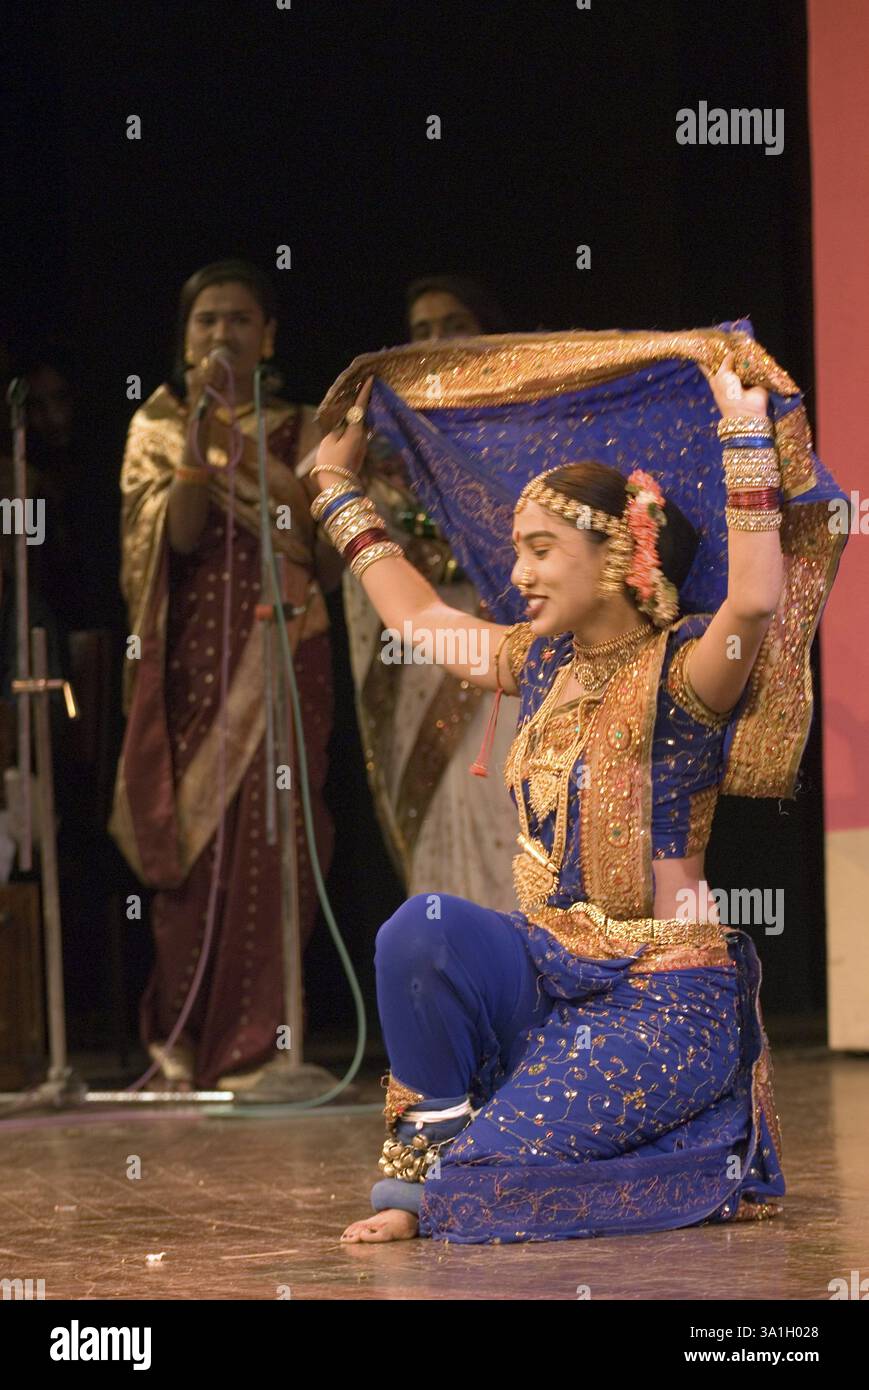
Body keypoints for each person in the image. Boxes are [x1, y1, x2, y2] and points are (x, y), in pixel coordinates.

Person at [304, 335, 834, 1244]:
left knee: (486, 1181)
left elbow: (751, 602)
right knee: (418, 930)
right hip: (551, 972)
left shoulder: (685, 677)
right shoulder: (539, 661)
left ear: (620, 550)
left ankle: (573, 1162)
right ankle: (430, 1151)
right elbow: (418, 614)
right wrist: (333, 491)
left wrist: (744, 437)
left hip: (661, 995)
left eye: (541, 549)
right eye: (516, 550)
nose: (516, 575)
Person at [108, 260, 334, 1093]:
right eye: (205, 321)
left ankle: (265, 1047)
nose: (220, 335)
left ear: (267, 336)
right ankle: (181, 1040)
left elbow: (322, 542)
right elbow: (173, 541)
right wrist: (203, 445)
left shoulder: (304, 426)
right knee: (194, 837)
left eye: (238, 320)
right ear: (184, 336)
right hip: (197, 660)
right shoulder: (160, 428)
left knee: (277, 836)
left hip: (286, 652)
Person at [331, 276, 521, 911]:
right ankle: (457, 992)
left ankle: (521, 988)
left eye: (453, 324)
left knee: (501, 805)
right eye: (420, 329)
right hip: (417, 660)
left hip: (505, 653)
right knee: (440, 809)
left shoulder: (518, 430)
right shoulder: (384, 449)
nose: (434, 340)